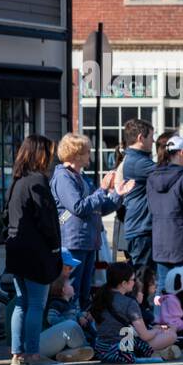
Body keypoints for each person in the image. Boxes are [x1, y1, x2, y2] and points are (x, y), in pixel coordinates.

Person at [51, 133, 133, 311]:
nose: (91, 155)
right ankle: (69, 325)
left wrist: (118, 194)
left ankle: (82, 327)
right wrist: (103, 189)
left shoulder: (82, 177)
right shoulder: (64, 177)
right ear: (76, 154)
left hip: (87, 241)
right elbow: (78, 207)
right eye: (87, 152)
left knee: (84, 291)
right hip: (72, 241)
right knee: (70, 289)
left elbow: (99, 208)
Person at [5, 135, 65, 365]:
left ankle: (16, 354)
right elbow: (47, 220)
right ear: (40, 154)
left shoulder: (17, 181)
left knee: (21, 303)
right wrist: (54, 247)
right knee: (36, 304)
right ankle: (33, 354)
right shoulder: (38, 181)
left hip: (16, 249)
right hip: (36, 252)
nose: (50, 158)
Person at [90, 262, 180, 363]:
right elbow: (145, 336)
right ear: (124, 283)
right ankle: (157, 352)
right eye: (132, 279)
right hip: (124, 347)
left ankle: (157, 352)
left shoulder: (99, 297)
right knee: (171, 334)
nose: (135, 282)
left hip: (101, 347)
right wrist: (157, 330)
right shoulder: (129, 302)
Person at [148, 134, 183, 283]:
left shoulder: (152, 175)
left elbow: (151, 207)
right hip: (182, 239)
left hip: (159, 239)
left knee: (163, 289)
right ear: (181, 153)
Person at [120, 118, 156, 276]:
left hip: (141, 227)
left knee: (146, 277)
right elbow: (167, 174)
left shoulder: (138, 159)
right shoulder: (138, 162)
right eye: (151, 137)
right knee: (142, 277)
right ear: (141, 138)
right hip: (141, 228)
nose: (153, 141)